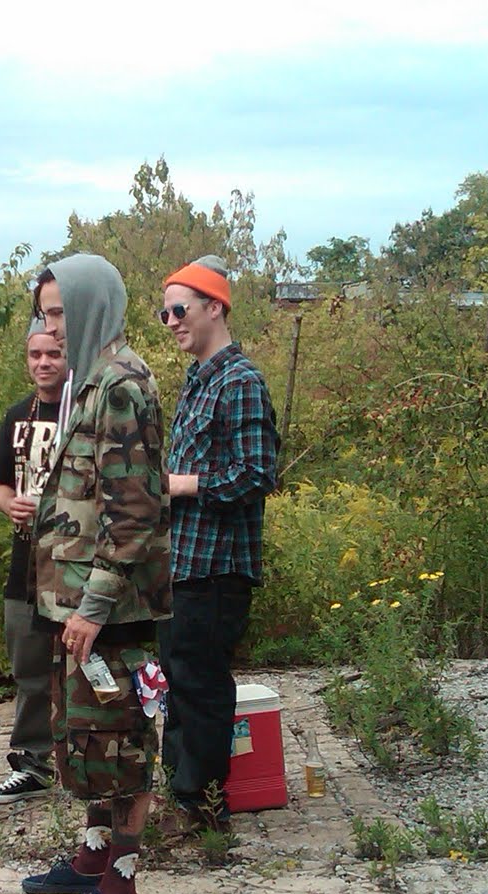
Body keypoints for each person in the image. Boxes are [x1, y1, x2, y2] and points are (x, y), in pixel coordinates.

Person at [19, 253, 172, 894]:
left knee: (122, 739)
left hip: (109, 608)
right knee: (86, 735)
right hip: (78, 602)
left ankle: (123, 885)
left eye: (59, 313)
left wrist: (93, 605)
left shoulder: (120, 384)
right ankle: (95, 856)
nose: (49, 327)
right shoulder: (93, 378)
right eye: (45, 313)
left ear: (89, 308)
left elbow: (136, 511)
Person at [158, 255, 278, 831]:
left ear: (214, 307)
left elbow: (257, 474)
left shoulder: (241, 380)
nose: (172, 320)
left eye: (180, 309)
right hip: (184, 565)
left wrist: (180, 485)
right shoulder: (197, 381)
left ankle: (206, 811)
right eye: (165, 313)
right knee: (179, 684)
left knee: (202, 688)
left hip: (218, 569)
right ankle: (180, 794)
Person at [0, 318, 66, 803]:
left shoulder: (85, 411)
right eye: (35, 355)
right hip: (26, 560)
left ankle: (90, 759)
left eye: (52, 353)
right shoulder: (17, 416)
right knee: (28, 665)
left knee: (86, 665)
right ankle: (33, 764)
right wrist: (7, 502)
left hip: (76, 560)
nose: (44, 363)